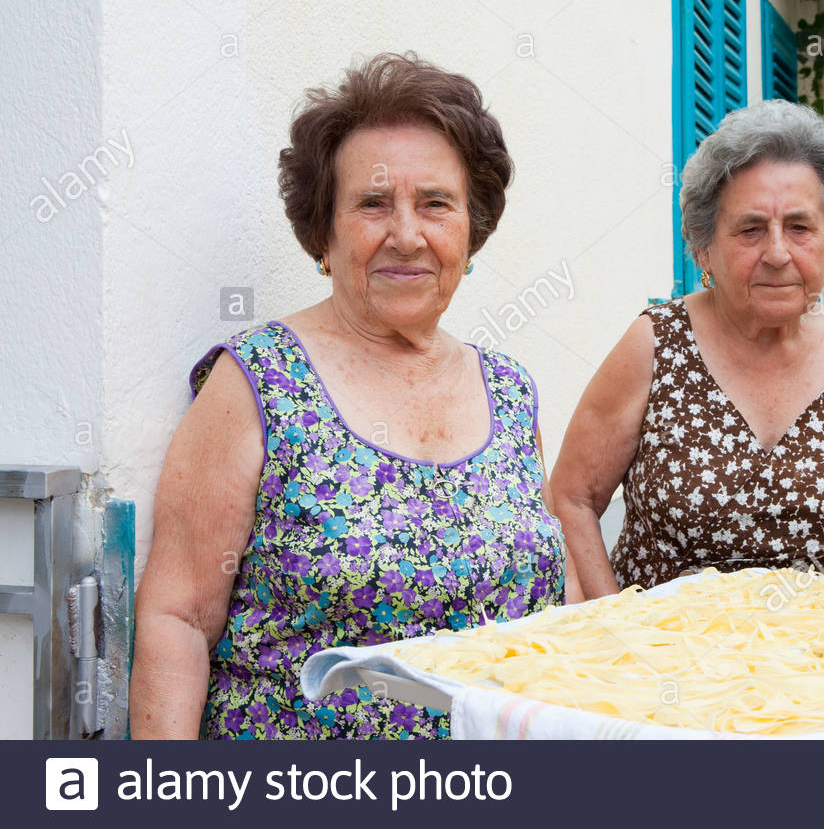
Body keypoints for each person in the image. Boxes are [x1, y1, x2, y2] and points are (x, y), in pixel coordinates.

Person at [130, 53, 574, 739]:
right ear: (324, 233)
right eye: (372, 204)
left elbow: (548, 608)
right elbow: (178, 620)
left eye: (435, 204)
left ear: (470, 228)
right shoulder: (258, 382)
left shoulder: (511, 393)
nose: (406, 234)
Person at [551, 100, 824, 595]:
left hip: (821, 665)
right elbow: (572, 496)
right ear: (703, 248)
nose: (778, 253)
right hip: (662, 661)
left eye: (800, 228)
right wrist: (613, 623)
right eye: (750, 229)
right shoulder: (656, 344)